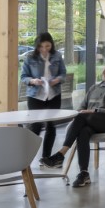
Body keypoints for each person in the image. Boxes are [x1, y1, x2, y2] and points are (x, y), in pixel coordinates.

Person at [58, 60, 105, 188]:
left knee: (82, 117)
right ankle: (84, 173)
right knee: (83, 132)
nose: (103, 72)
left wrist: (96, 111)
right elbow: (81, 107)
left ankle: (61, 153)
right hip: (89, 122)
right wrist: (85, 112)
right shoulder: (94, 88)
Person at [20, 32, 67, 166]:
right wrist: (33, 81)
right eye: (41, 46)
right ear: (37, 46)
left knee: (51, 126)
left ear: (51, 44)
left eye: (47, 46)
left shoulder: (57, 56)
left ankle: (46, 158)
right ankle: (25, 158)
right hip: (36, 95)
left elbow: (63, 73)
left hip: (54, 94)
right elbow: (23, 77)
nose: (44, 49)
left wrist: (57, 80)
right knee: (35, 126)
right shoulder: (30, 57)